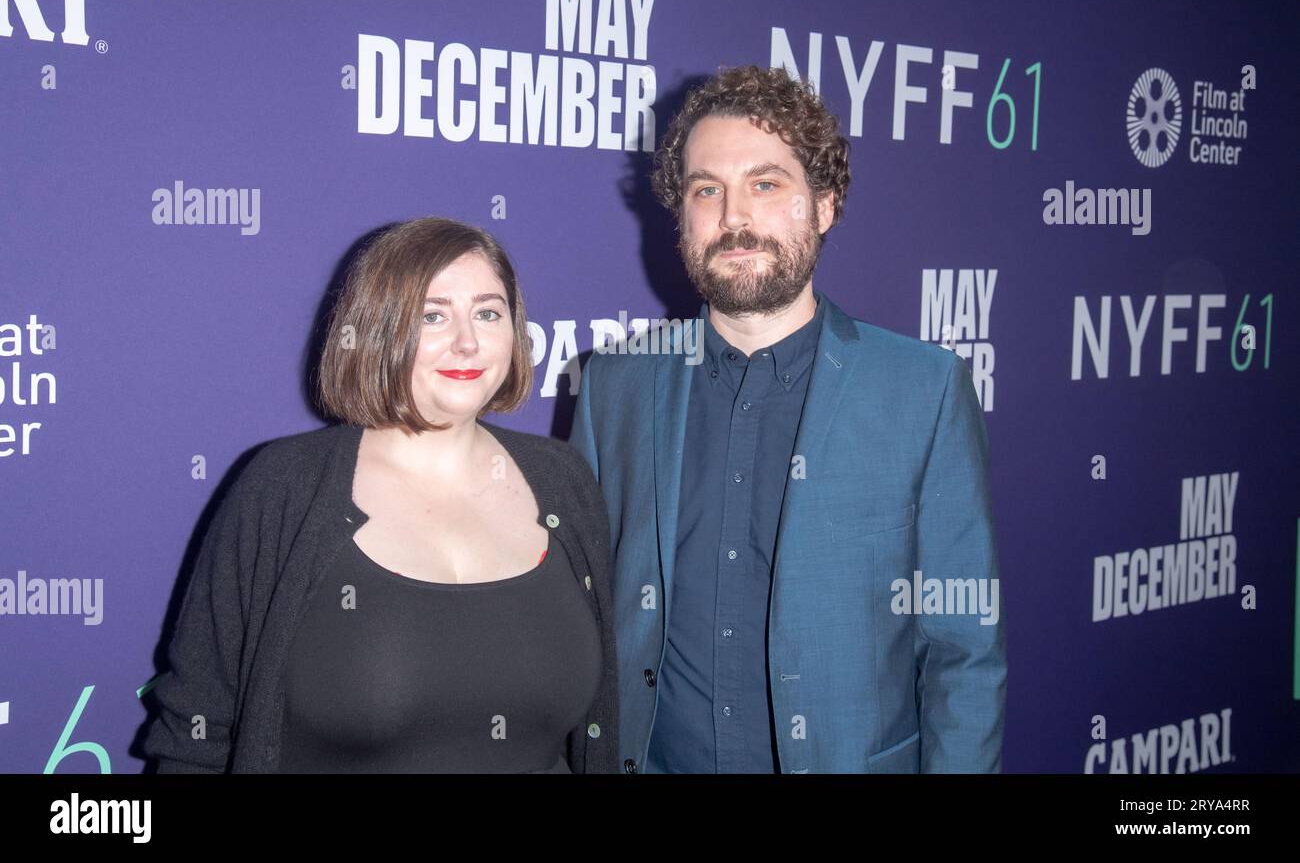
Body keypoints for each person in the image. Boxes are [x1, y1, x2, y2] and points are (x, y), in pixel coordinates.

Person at [569, 65, 1006, 773]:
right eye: (706, 190)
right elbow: (582, 624)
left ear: (825, 205)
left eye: (766, 185)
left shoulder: (923, 392)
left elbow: (965, 653)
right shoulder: (615, 388)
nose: (734, 217)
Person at [142, 217, 618, 773]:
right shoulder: (284, 489)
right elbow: (194, 735)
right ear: (375, 330)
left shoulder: (562, 480)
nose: (467, 341)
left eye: (488, 313)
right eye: (432, 315)